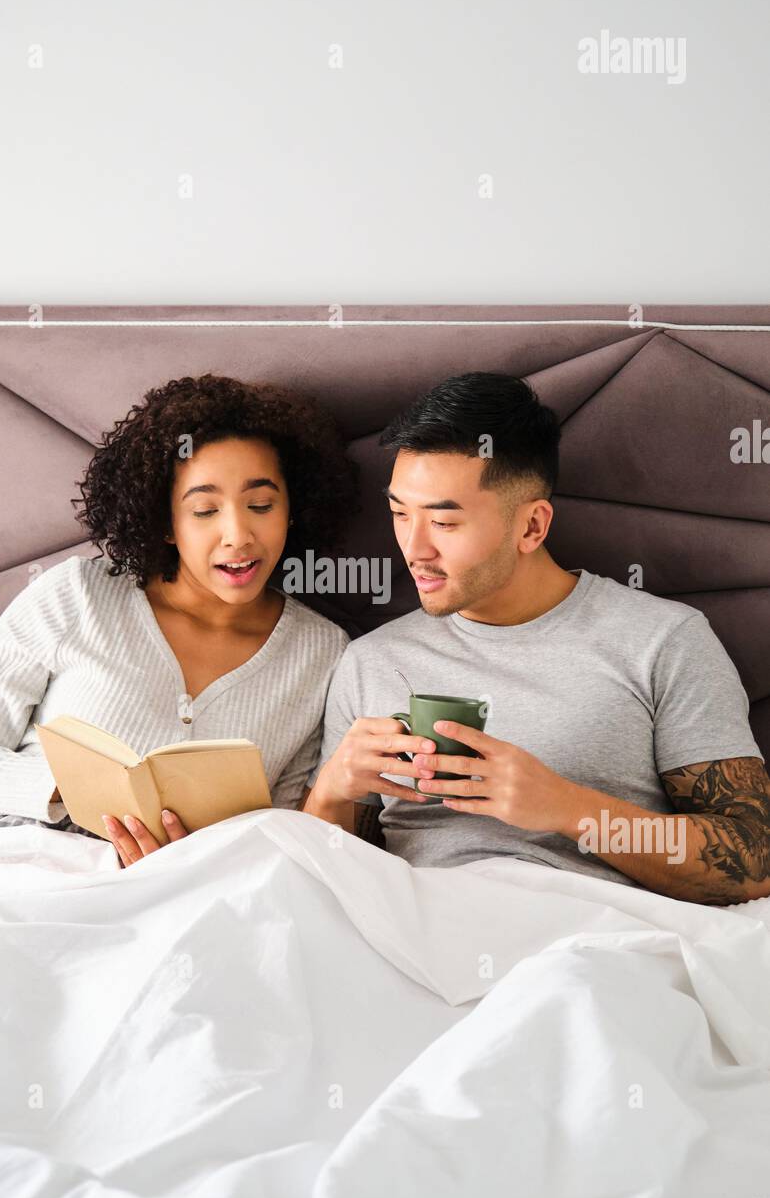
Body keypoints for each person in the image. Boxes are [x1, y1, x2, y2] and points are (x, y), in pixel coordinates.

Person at [302, 372, 770, 905]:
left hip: (584, 939)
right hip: (415, 929)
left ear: (531, 527)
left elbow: (753, 860)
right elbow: (323, 883)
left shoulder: (663, 640)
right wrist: (333, 792)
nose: (414, 549)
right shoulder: (370, 660)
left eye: (445, 523)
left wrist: (566, 807)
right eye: (399, 513)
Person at [0, 375, 354, 866]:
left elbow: (286, 830)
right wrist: (77, 794)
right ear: (165, 522)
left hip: (189, 893)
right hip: (18, 861)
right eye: (204, 510)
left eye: (261, 505)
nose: (238, 535)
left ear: (293, 509)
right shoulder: (78, 594)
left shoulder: (322, 651)